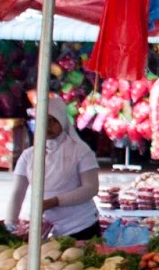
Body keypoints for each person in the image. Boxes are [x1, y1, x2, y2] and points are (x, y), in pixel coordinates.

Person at [6, 95, 101, 239]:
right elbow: (17, 192)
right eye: (44, 120)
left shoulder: (81, 151)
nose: (48, 126)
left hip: (81, 226)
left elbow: (90, 188)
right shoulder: (28, 155)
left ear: (62, 121)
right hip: (43, 229)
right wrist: (10, 223)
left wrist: (55, 201)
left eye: (53, 121)